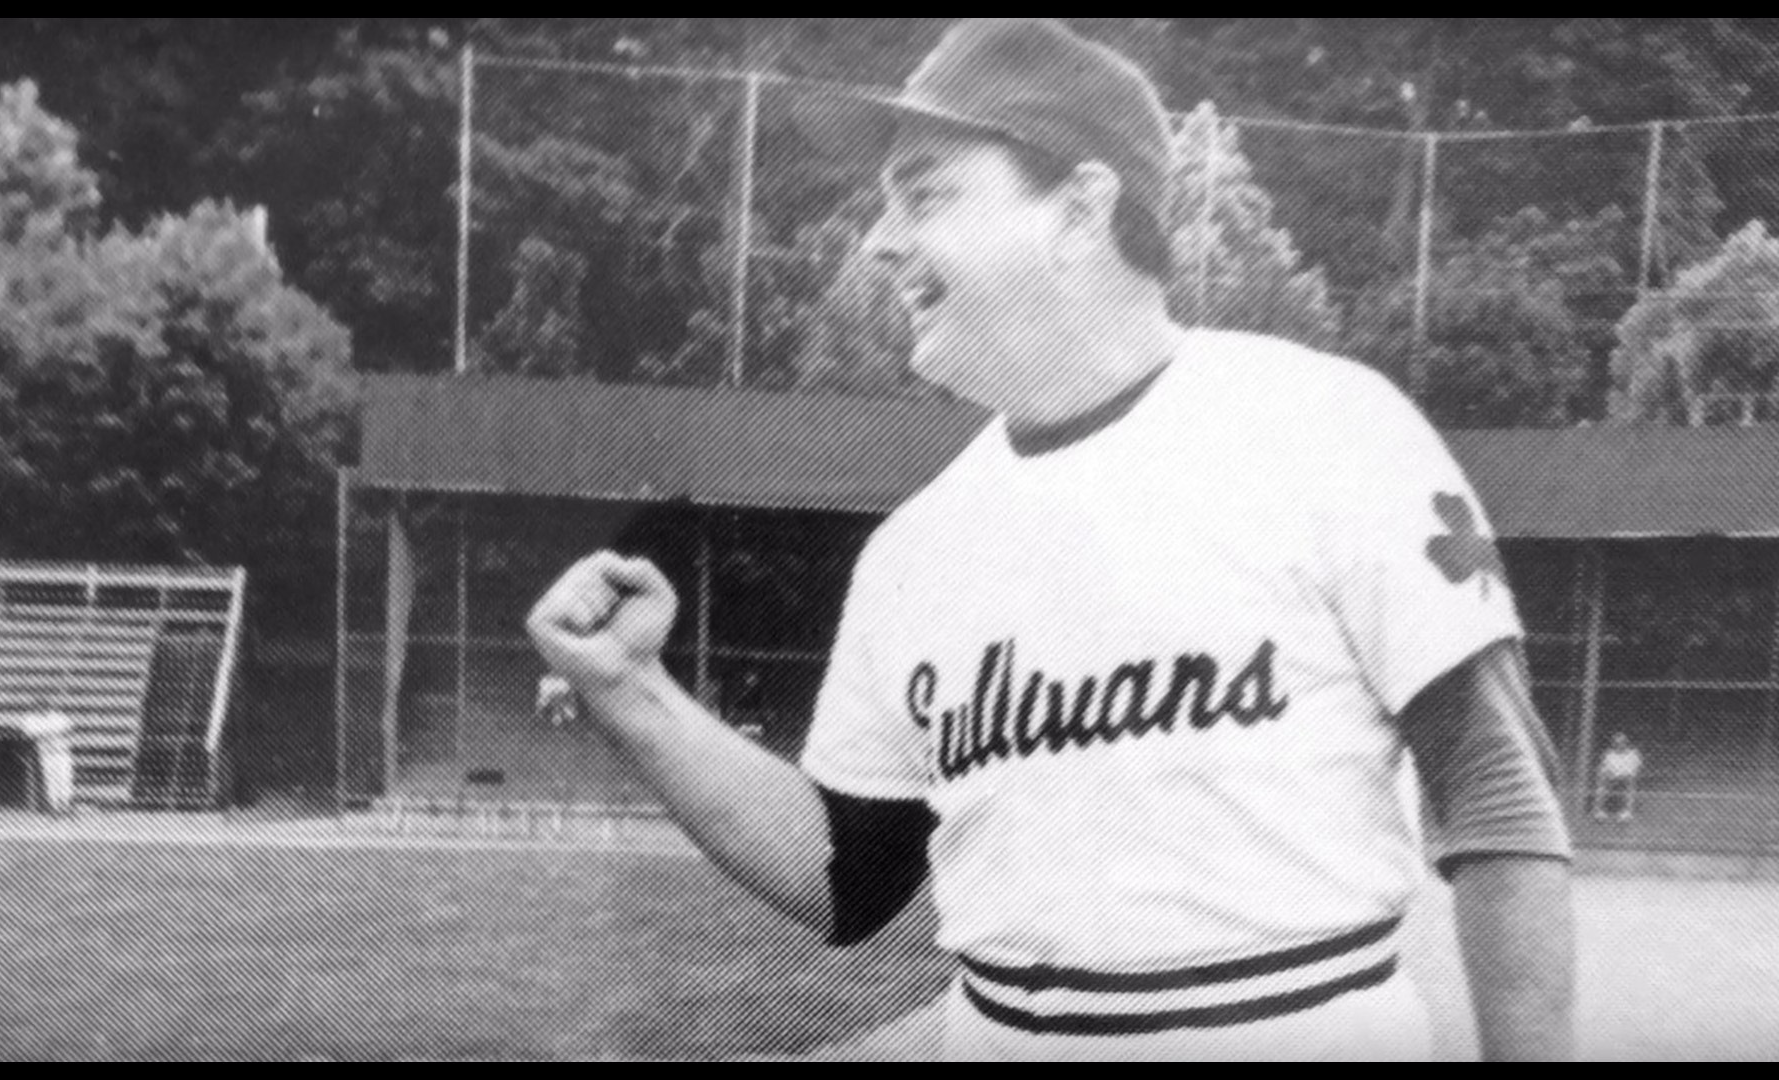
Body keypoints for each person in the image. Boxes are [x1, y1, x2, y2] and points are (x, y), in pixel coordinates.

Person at [528, 19, 1573, 1061]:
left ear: (1081, 210)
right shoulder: (915, 549)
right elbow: (846, 872)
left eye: (923, 194)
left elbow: (1496, 789)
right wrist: (635, 693)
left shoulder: (1328, 429)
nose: (877, 242)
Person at [19, 701, 75, 816]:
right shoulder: (31, 718)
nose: (42, 710)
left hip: (62, 751)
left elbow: (68, 728)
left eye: (44, 707)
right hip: (46, 752)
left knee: (65, 778)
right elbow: (28, 733)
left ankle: (66, 805)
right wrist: (50, 732)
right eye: (39, 707)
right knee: (51, 779)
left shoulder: (58, 716)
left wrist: (45, 732)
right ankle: (54, 806)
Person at [1593, 732, 1643, 822]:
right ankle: (1600, 812)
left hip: (1626, 778)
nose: (1619, 745)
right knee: (1602, 781)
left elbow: (1634, 769)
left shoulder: (1633, 754)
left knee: (1630, 782)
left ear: (1626, 743)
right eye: (1616, 743)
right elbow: (1603, 768)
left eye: (1621, 742)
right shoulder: (1609, 754)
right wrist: (1609, 774)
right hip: (1611, 778)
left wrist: (1623, 775)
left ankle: (1626, 812)